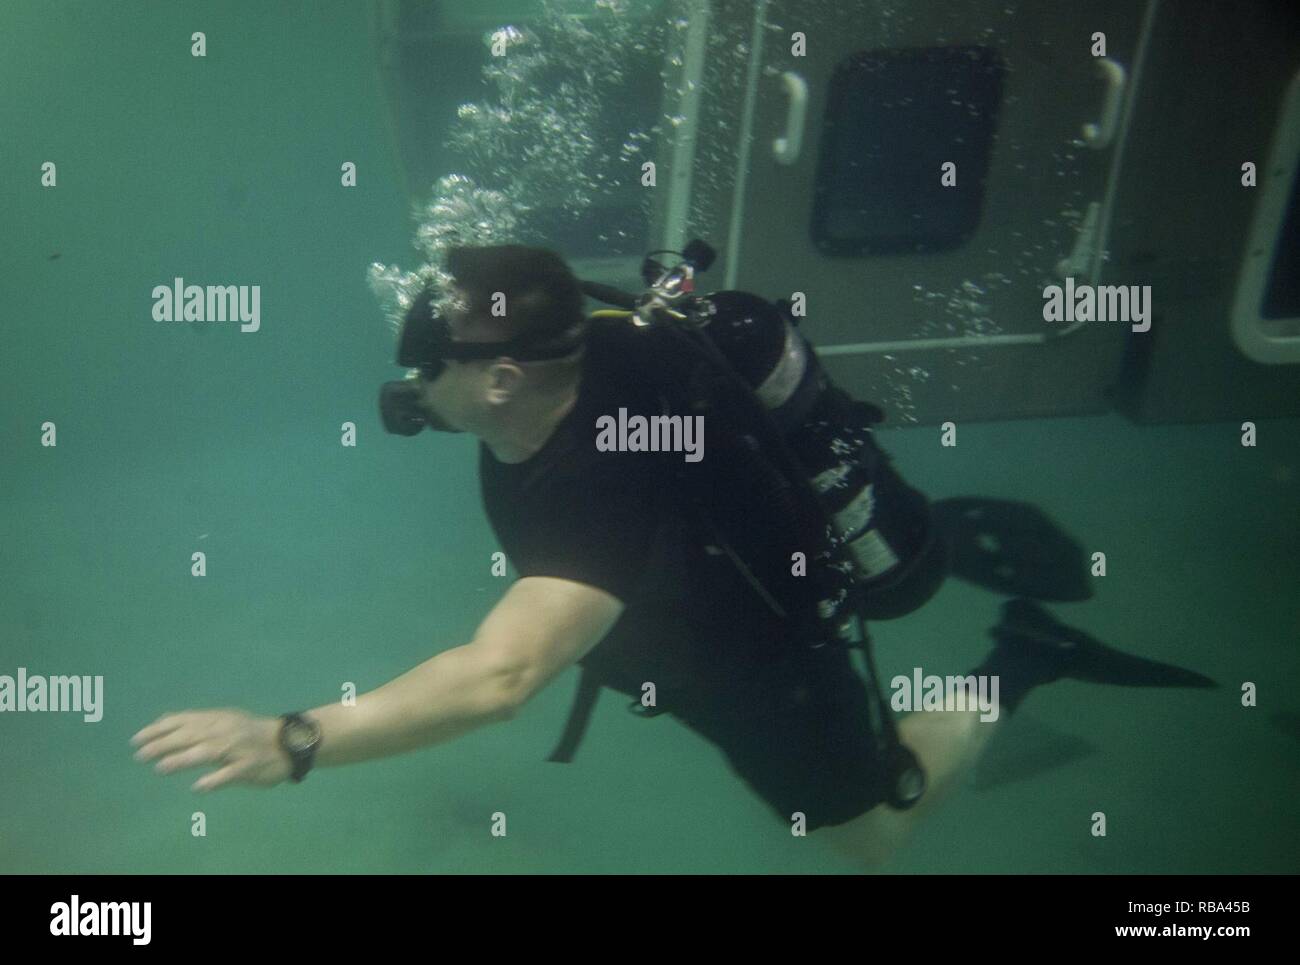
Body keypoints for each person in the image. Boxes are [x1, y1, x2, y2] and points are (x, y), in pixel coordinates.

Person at [132, 244, 1213, 869]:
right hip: (673, 628)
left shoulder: (595, 480)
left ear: (501, 379)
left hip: (754, 656)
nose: (409, 377)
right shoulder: (578, 327)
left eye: (426, 360)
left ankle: (1023, 653)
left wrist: (301, 736)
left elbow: (502, 676)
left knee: (872, 832)